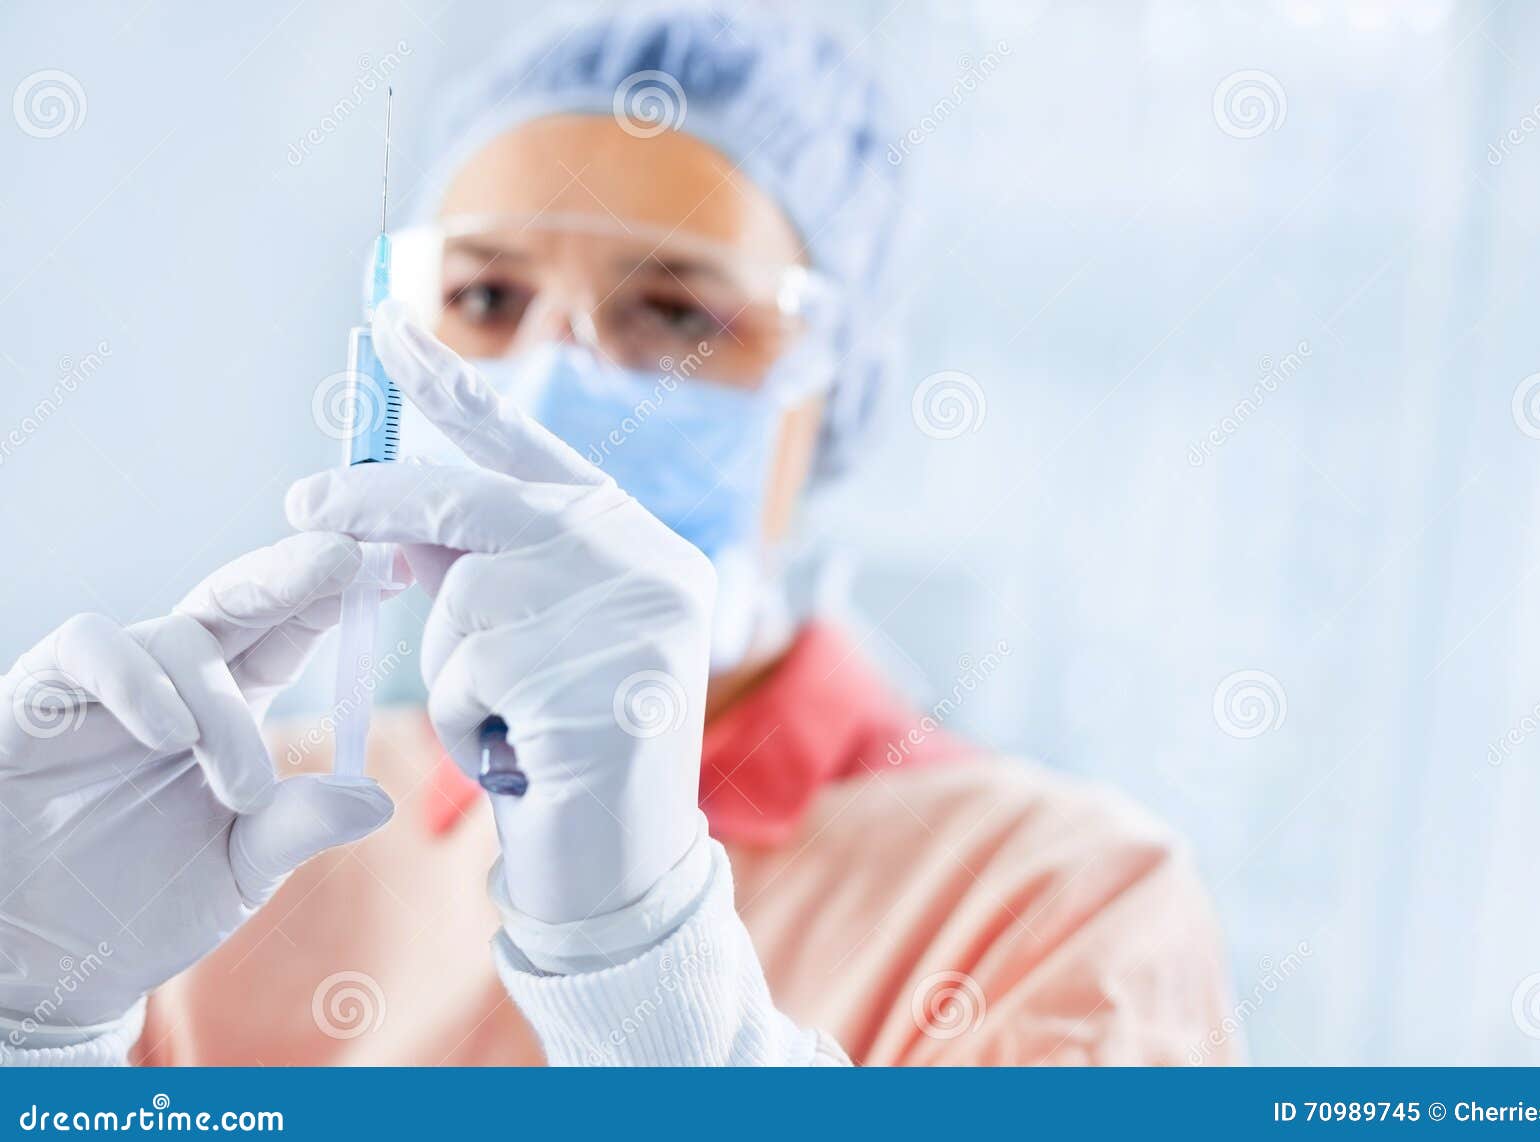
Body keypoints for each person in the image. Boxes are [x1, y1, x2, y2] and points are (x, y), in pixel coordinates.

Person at [0, 6, 1237, 1067]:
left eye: (675, 312)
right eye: (485, 297)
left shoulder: (1051, 893)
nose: (551, 382)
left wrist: (650, 991)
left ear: (834, 390)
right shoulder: (245, 812)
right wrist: (36, 1029)